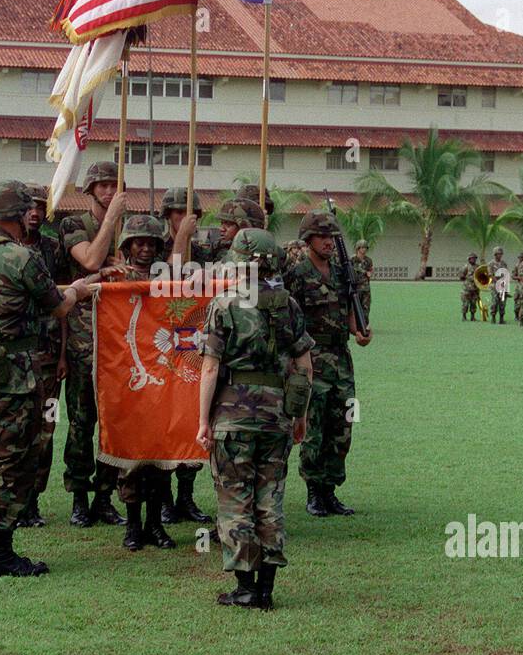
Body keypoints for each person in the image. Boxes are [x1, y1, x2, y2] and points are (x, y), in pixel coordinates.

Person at [0, 180, 94, 577]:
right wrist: (80, 290)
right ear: (18, 214)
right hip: (10, 375)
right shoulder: (22, 258)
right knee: (10, 461)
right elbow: (58, 306)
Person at [197, 228, 313, 610]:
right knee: (270, 500)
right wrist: (300, 416)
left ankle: (245, 588)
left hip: (232, 418)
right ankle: (266, 589)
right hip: (277, 416)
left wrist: (203, 422)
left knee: (235, 501)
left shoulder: (223, 305)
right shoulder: (289, 305)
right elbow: (304, 365)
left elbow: (210, 370)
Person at [285, 211, 372, 518]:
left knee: (342, 428)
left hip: (341, 361)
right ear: (308, 239)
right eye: (322, 237)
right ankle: (313, 491)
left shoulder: (340, 272)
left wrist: (360, 332)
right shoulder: (297, 274)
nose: (328, 243)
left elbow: (350, 309)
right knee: (314, 429)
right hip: (311, 360)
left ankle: (330, 490)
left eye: (332, 237)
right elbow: (289, 318)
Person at [59, 161, 127, 527]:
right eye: (100, 185)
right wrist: (110, 220)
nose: (107, 191)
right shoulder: (74, 225)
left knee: (113, 423)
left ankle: (105, 496)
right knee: (81, 422)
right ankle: (79, 497)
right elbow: (89, 259)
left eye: (113, 185)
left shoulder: (130, 229)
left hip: (120, 340)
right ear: (90, 191)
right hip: (84, 340)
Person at [115, 214, 179, 551]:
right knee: (132, 457)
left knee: (159, 454)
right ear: (127, 246)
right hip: (127, 377)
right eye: (138, 242)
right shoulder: (115, 280)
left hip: (161, 375)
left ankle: (155, 524)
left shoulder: (168, 280)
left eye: (151, 243)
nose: (144, 249)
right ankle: (133, 525)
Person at [157, 188, 214, 526]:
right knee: (167, 425)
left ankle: (187, 497)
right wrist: (181, 239)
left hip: (195, 348)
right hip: (163, 349)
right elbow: (170, 278)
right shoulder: (154, 245)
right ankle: (164, 500)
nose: (183, 219)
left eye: (187, 214)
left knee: (193, 422)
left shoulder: (205, 250)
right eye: (176, 214)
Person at [18, 183, 69, 526]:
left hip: (50, 358)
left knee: (46, 429)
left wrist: (64, 354)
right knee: (17, 429)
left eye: (41, 206)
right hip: (16, 357)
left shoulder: (53, 250)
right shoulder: (5, 250)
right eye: (30, 206)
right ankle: (14, 499)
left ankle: (34, 499)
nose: (35, 212)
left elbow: (64, 303)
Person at [353, 240, 374, 322]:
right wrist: (365, 272)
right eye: (362, 247)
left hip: (366, 288)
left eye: (366, 248)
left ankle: (364, 325)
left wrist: (370, 273)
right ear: (358, 248)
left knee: (366, 308)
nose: (364, 250)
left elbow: (371, 270)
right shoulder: (352, 260)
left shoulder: (368, 260)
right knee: (354, 308)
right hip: (355, 288)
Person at [488, 245, 508, 324]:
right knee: (494, 302)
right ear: (495, 254)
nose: (500, 255)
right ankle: (493, 317)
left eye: (501, 254)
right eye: (498, 254)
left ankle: (501, 318)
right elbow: (490, 275)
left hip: (503, 286)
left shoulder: (504, 263)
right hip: (494, 285)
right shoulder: (491, 264)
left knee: (502, 302)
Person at [459, 253, 480, 321]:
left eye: (474, 258)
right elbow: (461, 276)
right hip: (467, 289)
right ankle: (464, 316)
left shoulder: (478, 267)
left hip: (475, 289)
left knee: (473, 303)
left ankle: (472, 316)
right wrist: (468, 279)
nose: (473, 259)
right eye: (472, 258)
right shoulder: (466, 267)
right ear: (469, 259)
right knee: (465, 303)